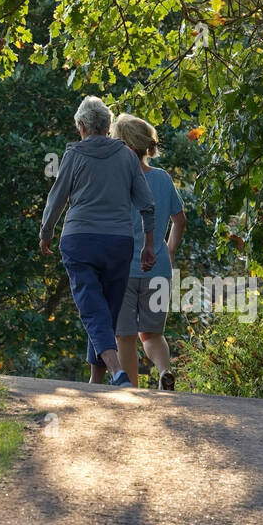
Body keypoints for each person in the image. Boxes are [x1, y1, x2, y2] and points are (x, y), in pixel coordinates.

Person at [41, 96, 155, 387]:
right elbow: (146, 204)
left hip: (79, 240)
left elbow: (57, 198)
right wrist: (149, 243)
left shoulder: (74, 155)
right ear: (106, 127)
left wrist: (46, 232)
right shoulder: (128, 157)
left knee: (93, 307)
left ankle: (117, 372)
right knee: (105, 310)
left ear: (81, 126)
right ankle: (98, 380)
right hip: (118, 242)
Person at [95, 113, 186, 390]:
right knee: (153, 334)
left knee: (125, 336)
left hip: (123, 271)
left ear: (126, 147)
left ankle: (132, 393)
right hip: (158, 270)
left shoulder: (116, 180)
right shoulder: (162, 178)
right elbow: (180, 221)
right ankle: (163, 371)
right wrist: (168, 252)